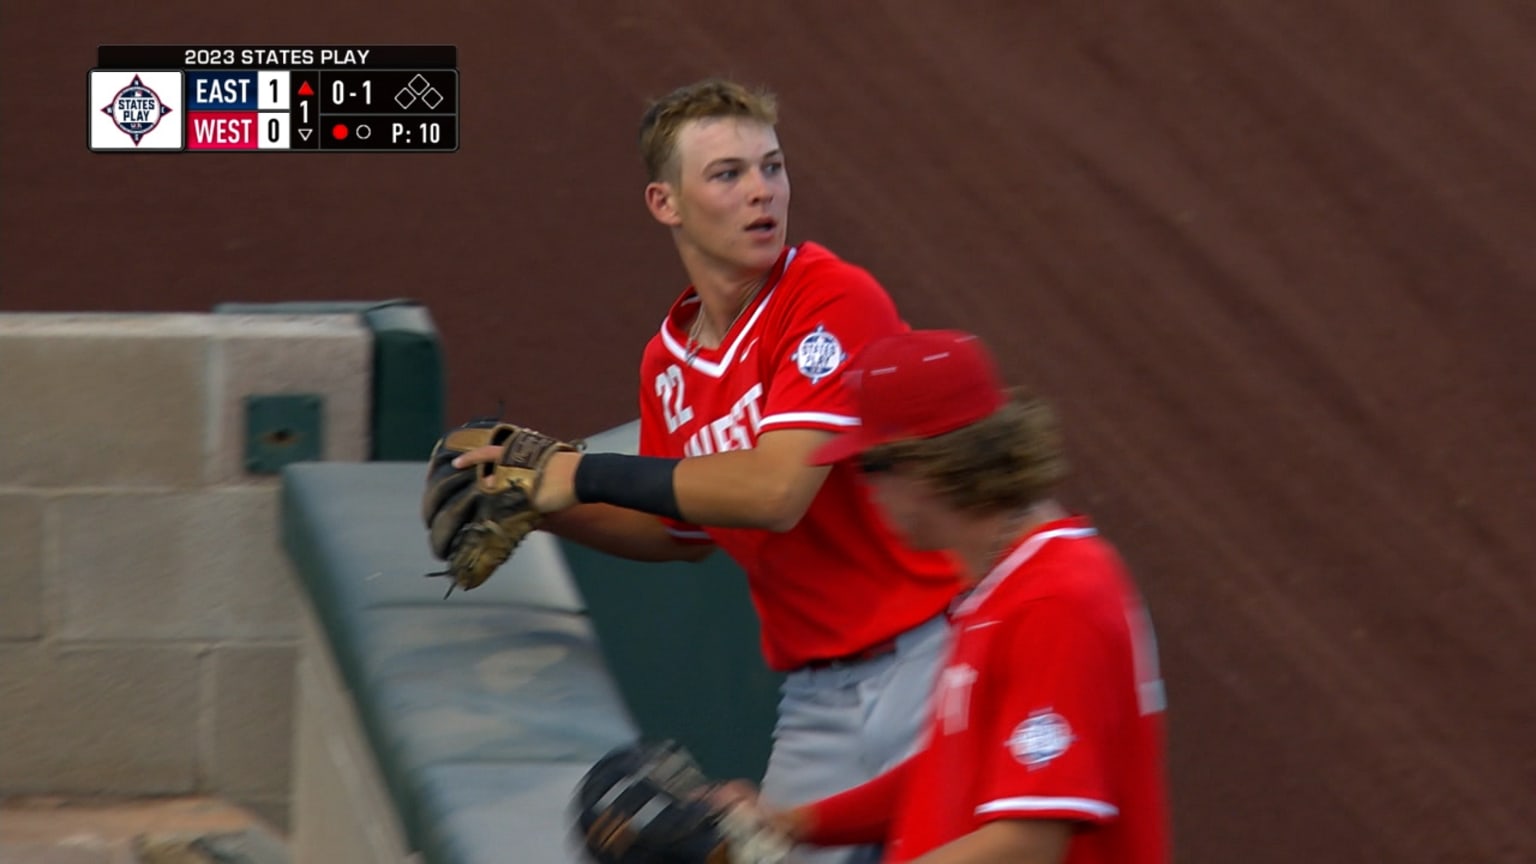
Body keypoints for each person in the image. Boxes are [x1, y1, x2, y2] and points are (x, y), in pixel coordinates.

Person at [452, 78, 965, 864]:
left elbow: (773, 492)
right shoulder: (669, 361)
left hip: (934, 660)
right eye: (728, 174)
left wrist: (576, 473)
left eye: (773, 167)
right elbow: (679, 527)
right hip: (817, 697)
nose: (762, 192)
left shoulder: (830, 299)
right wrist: (537, 502)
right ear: (666, 203)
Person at [726, 329, 1172, 864]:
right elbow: (950, 769)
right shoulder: (1006, 586)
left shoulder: (1054, 599)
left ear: (929, 466)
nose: (864, 488)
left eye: (870, 466)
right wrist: (790, 824)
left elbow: (1028, 842)